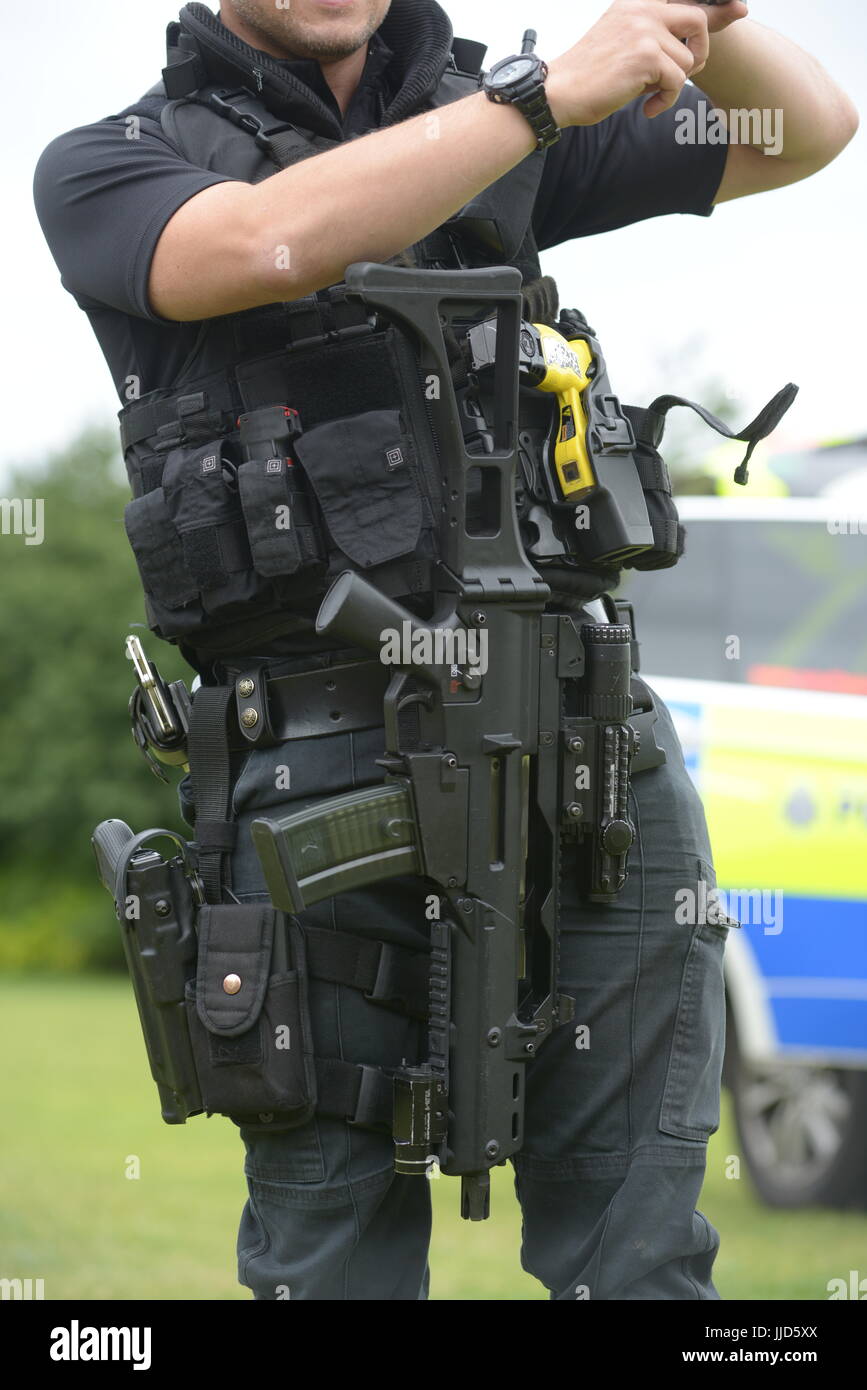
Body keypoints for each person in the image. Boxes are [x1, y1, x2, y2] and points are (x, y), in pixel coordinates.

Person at [34, 0, 856, 1300]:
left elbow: (808, 129)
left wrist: (711, 14)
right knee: (334, 1265)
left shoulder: (496, 111)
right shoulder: (115, 162)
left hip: (583, 750)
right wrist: (541, 99)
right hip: (311, 782)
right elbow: (267, 238)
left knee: (642, 1262)